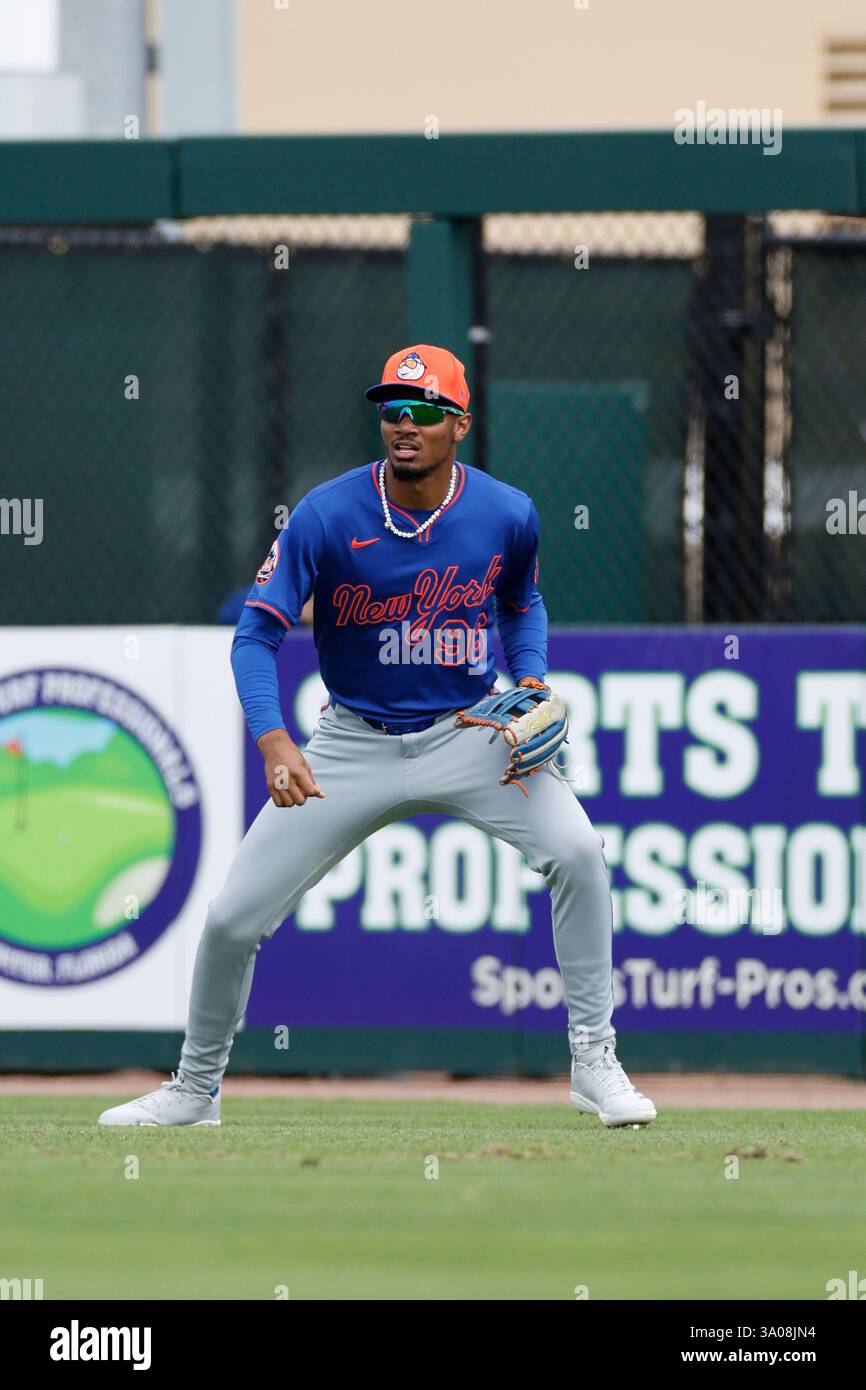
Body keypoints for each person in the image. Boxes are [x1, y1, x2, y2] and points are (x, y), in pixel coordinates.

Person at [99, 344, 656, 1129]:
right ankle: (196, 1088)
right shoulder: (327, 514)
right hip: (350, 744)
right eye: (392, 409)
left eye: (425, 411)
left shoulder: (506, 512)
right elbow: (255, 635)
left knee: (578, 855)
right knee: (231, 920)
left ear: (460, 423)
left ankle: (594, 1060)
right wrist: (271, 737)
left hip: (468, 736)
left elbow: (521, 603)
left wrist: (529, 678)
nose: (404, 423)